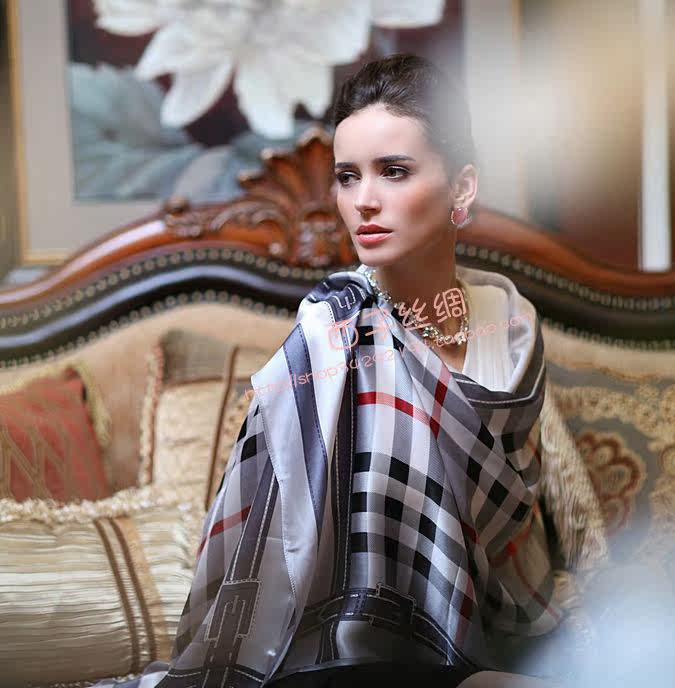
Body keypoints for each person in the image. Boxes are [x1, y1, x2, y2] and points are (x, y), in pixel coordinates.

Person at [92, 53, 562, 688]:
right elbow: (272, 563)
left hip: (494, 642)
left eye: (394, 171)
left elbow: (513, 528)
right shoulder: (331, 337)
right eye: (347, 176)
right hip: (334, 660)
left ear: (462, 188)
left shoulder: (511, 328)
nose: (363, 201)